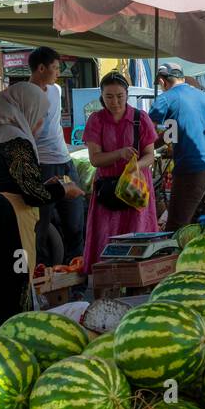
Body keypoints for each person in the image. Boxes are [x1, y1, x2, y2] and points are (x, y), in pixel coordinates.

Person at [0, 81, 84, 344]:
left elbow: (8, 182)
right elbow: (32, 194)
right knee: (8, 291)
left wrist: (47, 186)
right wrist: (63, 191)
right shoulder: (15, 138)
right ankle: (8, 350)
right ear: (26, 109)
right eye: (39, 117)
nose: (40, 125)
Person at [149, 63, 205, 229]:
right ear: (182, 77)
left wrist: (141, 153)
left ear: (162, 81)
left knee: (175, 229)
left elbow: (146, 133)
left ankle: (175, 255)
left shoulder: (165, 99)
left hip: (190, 172)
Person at [82, 70, 159, 265]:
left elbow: (150, 155)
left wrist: (135, 166)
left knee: (138, 241)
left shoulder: (141, 119)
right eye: (109, 97)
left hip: (135, 188)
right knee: (106, 238)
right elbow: (95, 159)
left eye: (119, 96)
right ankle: (105, 286)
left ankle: (140, 286)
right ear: (101, 96)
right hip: (108, 189)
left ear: (127, 95)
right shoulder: (96, 120)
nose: (115, 102)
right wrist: (119, 154)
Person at [28, 46, 84, 263]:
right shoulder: (25, 94)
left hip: (65, 162)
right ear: (41, 68)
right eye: (55, 68)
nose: (58, 72)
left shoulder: (56, 91)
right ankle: (42, 280)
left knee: (75, 222)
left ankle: (76, 275)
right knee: (39, 225)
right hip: (43, 165)